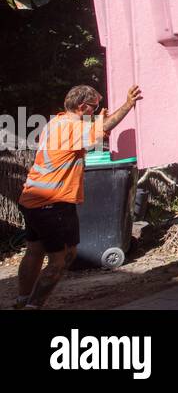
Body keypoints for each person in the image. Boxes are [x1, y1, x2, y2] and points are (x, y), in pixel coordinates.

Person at [13, 84, 142, 309]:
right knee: (64, 257)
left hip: (32, 200)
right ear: (82, 107)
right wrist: (128, 105)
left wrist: (99, 122)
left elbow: (93, 134)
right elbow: (101, 129)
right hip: (53, 203)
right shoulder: (71, 127)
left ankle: (22, 301)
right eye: (94, 107)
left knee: (34, 251)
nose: (95, 110)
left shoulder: (57, 123)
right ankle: (34, 306)